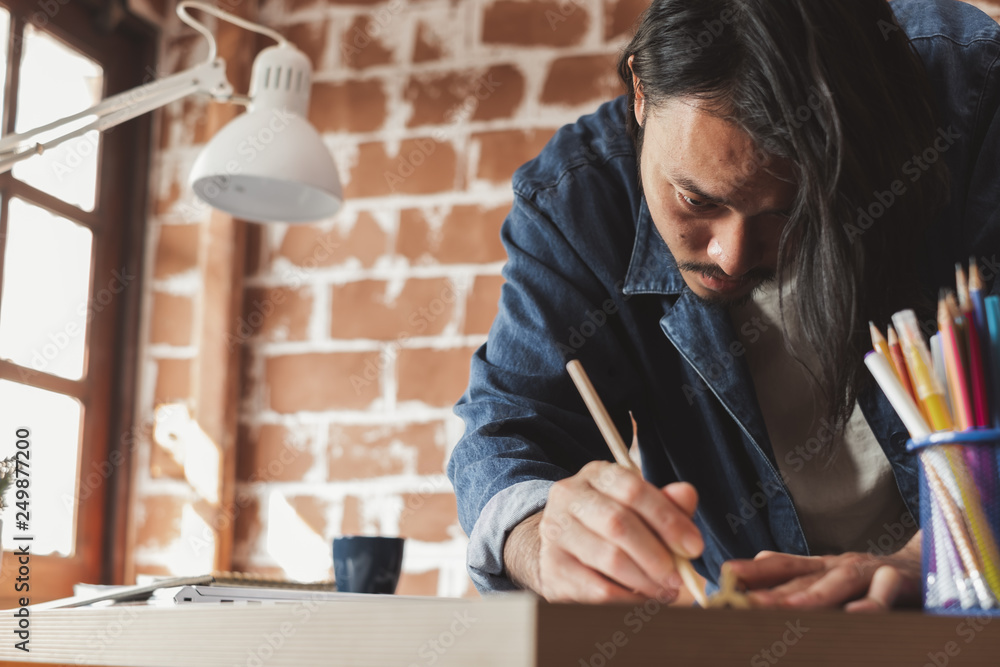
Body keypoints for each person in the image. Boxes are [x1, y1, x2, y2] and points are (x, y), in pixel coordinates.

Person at [448, 0, 1000, 609]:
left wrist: (942, 557)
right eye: (697, 200)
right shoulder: (579, 200)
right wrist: (539, 537)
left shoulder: (972, 100)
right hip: (735, 627)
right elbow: (512, 428)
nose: (731, 258)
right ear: (640, 91)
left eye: (791, 212)